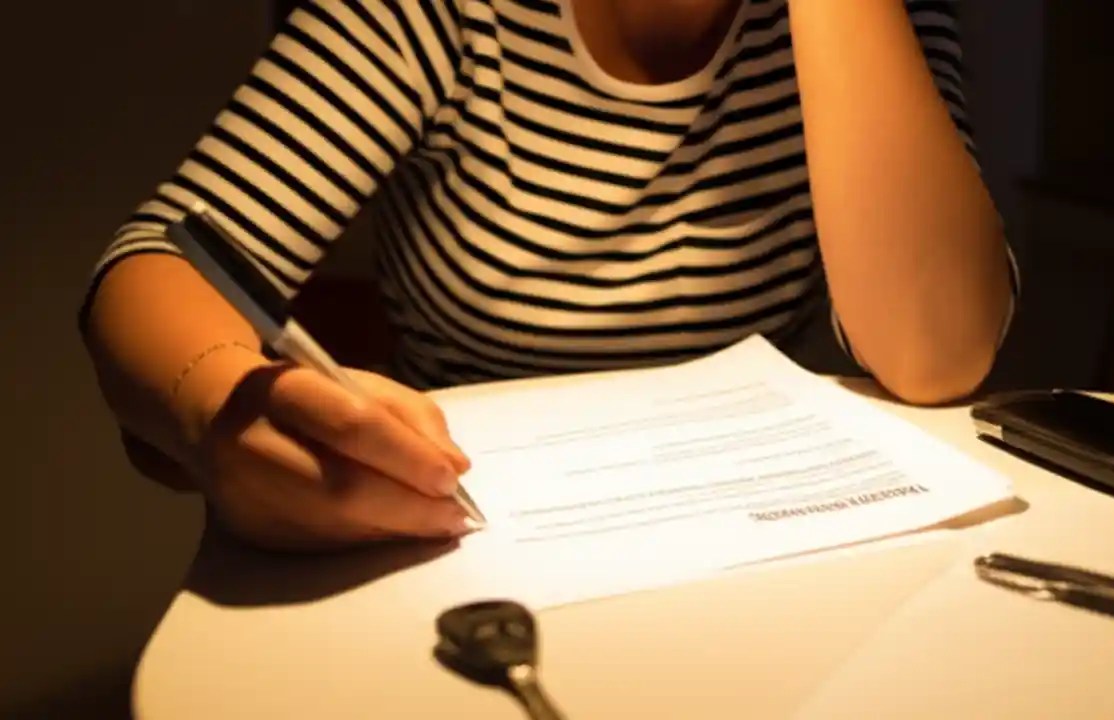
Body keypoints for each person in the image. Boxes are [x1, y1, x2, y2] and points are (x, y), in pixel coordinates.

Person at [80, 0, 1017, 551]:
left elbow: (935, 352)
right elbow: (160, 258)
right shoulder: (441, 15)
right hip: (470, 532)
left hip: (772, 525)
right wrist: (219, 411)